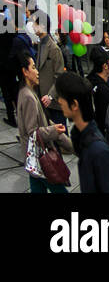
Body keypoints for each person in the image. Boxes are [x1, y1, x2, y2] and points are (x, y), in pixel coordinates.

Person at [54, 71, 109, 192]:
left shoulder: (98, 151)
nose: (59, 101)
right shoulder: (80, 136)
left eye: (61, 97)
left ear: (74, 104)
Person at [16, 54, 72, 193]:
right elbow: (32, 132)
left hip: (33, 159)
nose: (37, 72)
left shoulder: (27, 92)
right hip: (40, 158)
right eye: (33, 67)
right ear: (25, 72)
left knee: (37, 187)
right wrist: (53, 130)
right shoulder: (28, 97)